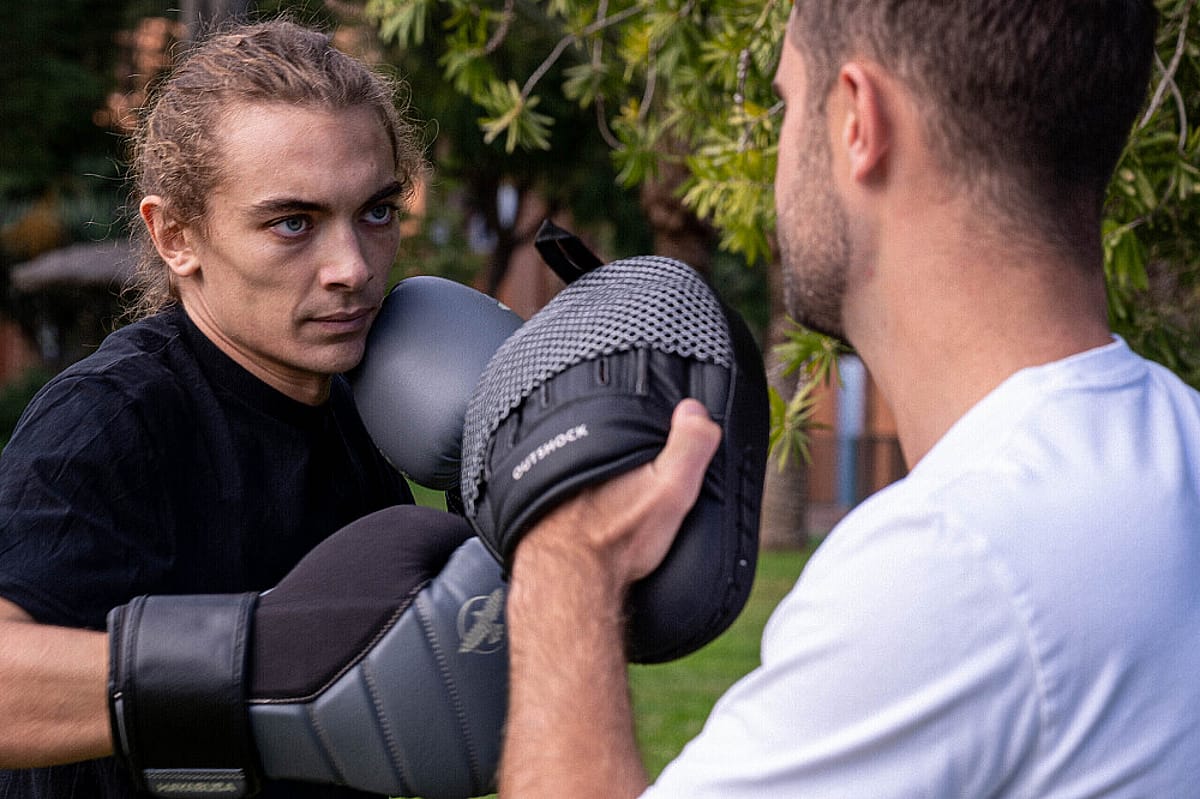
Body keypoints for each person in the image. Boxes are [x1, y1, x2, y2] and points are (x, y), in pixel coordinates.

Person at [500, 1, 1200, 797]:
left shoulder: (956, 564)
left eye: (789, 101)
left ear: (858, 120)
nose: (779, 152)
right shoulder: (1179, 447)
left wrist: (568, 557)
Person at [0, 19, 424, 798]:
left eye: (376, 212)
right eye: (292, 222)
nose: (352, 268)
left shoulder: (356, 414)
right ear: (176, 235)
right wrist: (264, 658)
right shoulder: (111, 420)